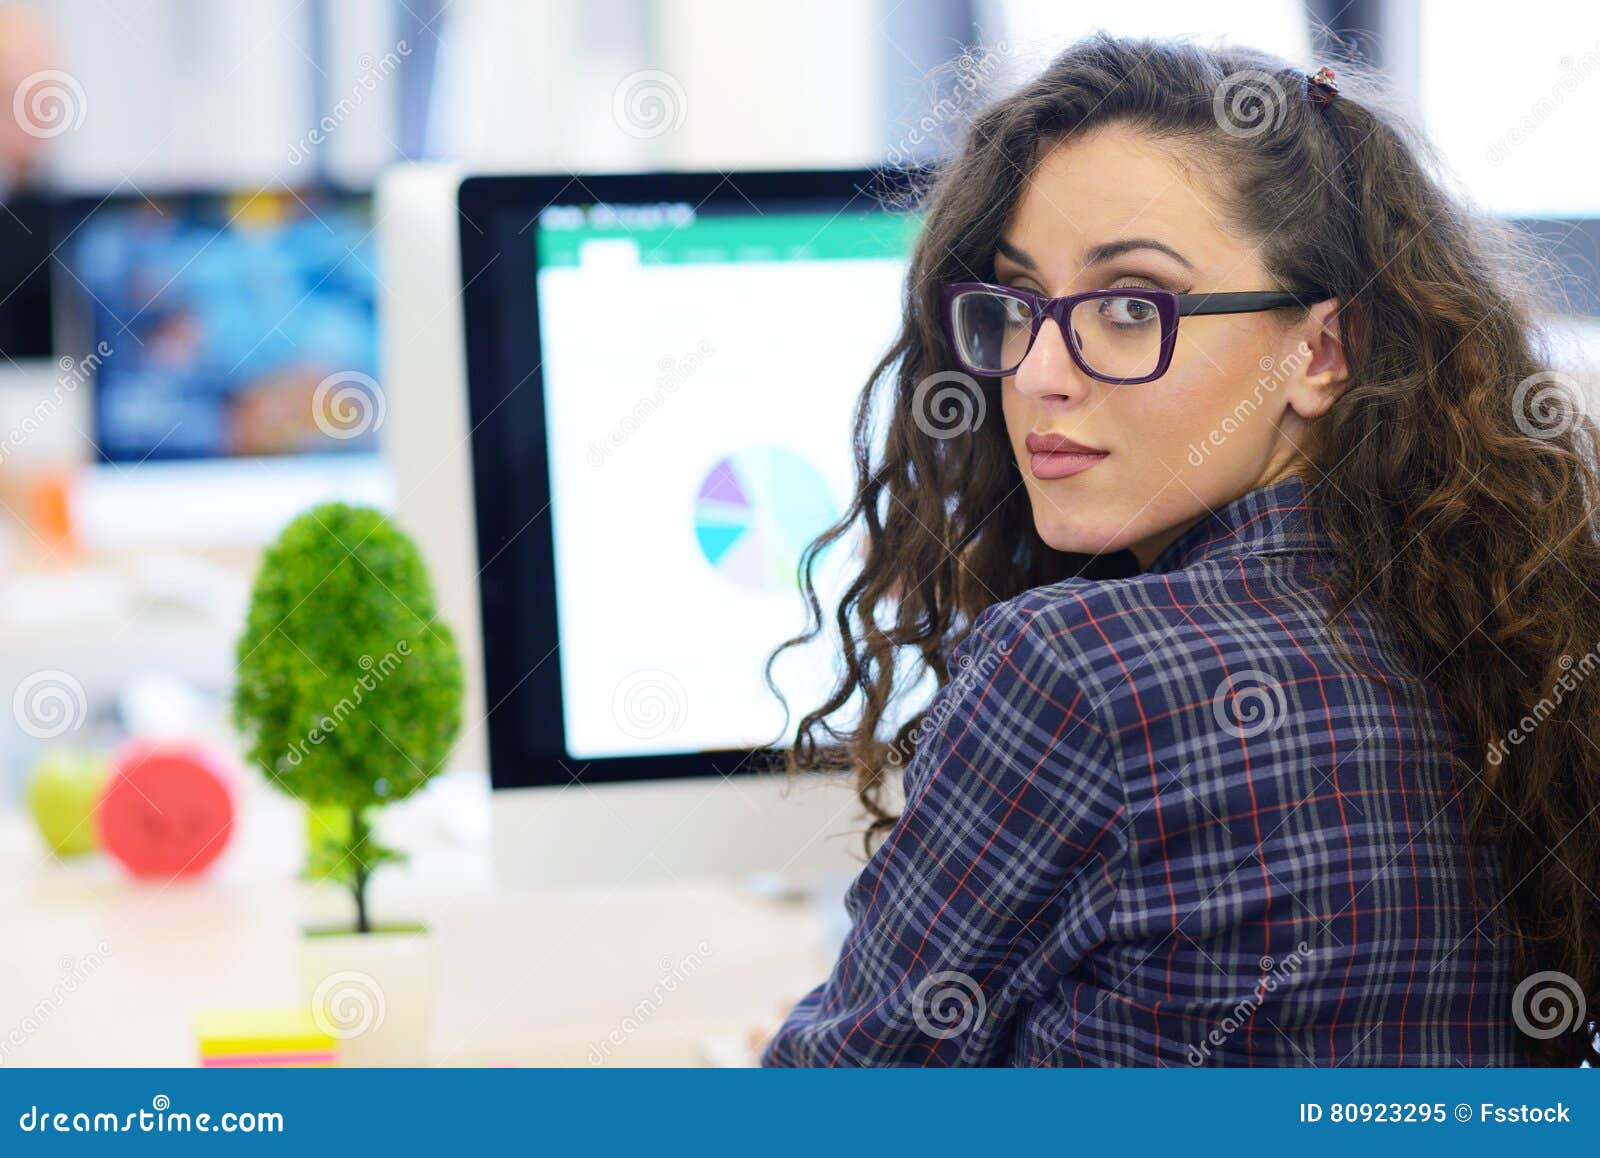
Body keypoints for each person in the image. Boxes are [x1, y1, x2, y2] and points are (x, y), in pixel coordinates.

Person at [760, 33, 1599, 1067]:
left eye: (1127, 307)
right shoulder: (1504, 629)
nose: (1037, 374)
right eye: (1017, 304)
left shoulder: (1075, 673)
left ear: (1319, 353)